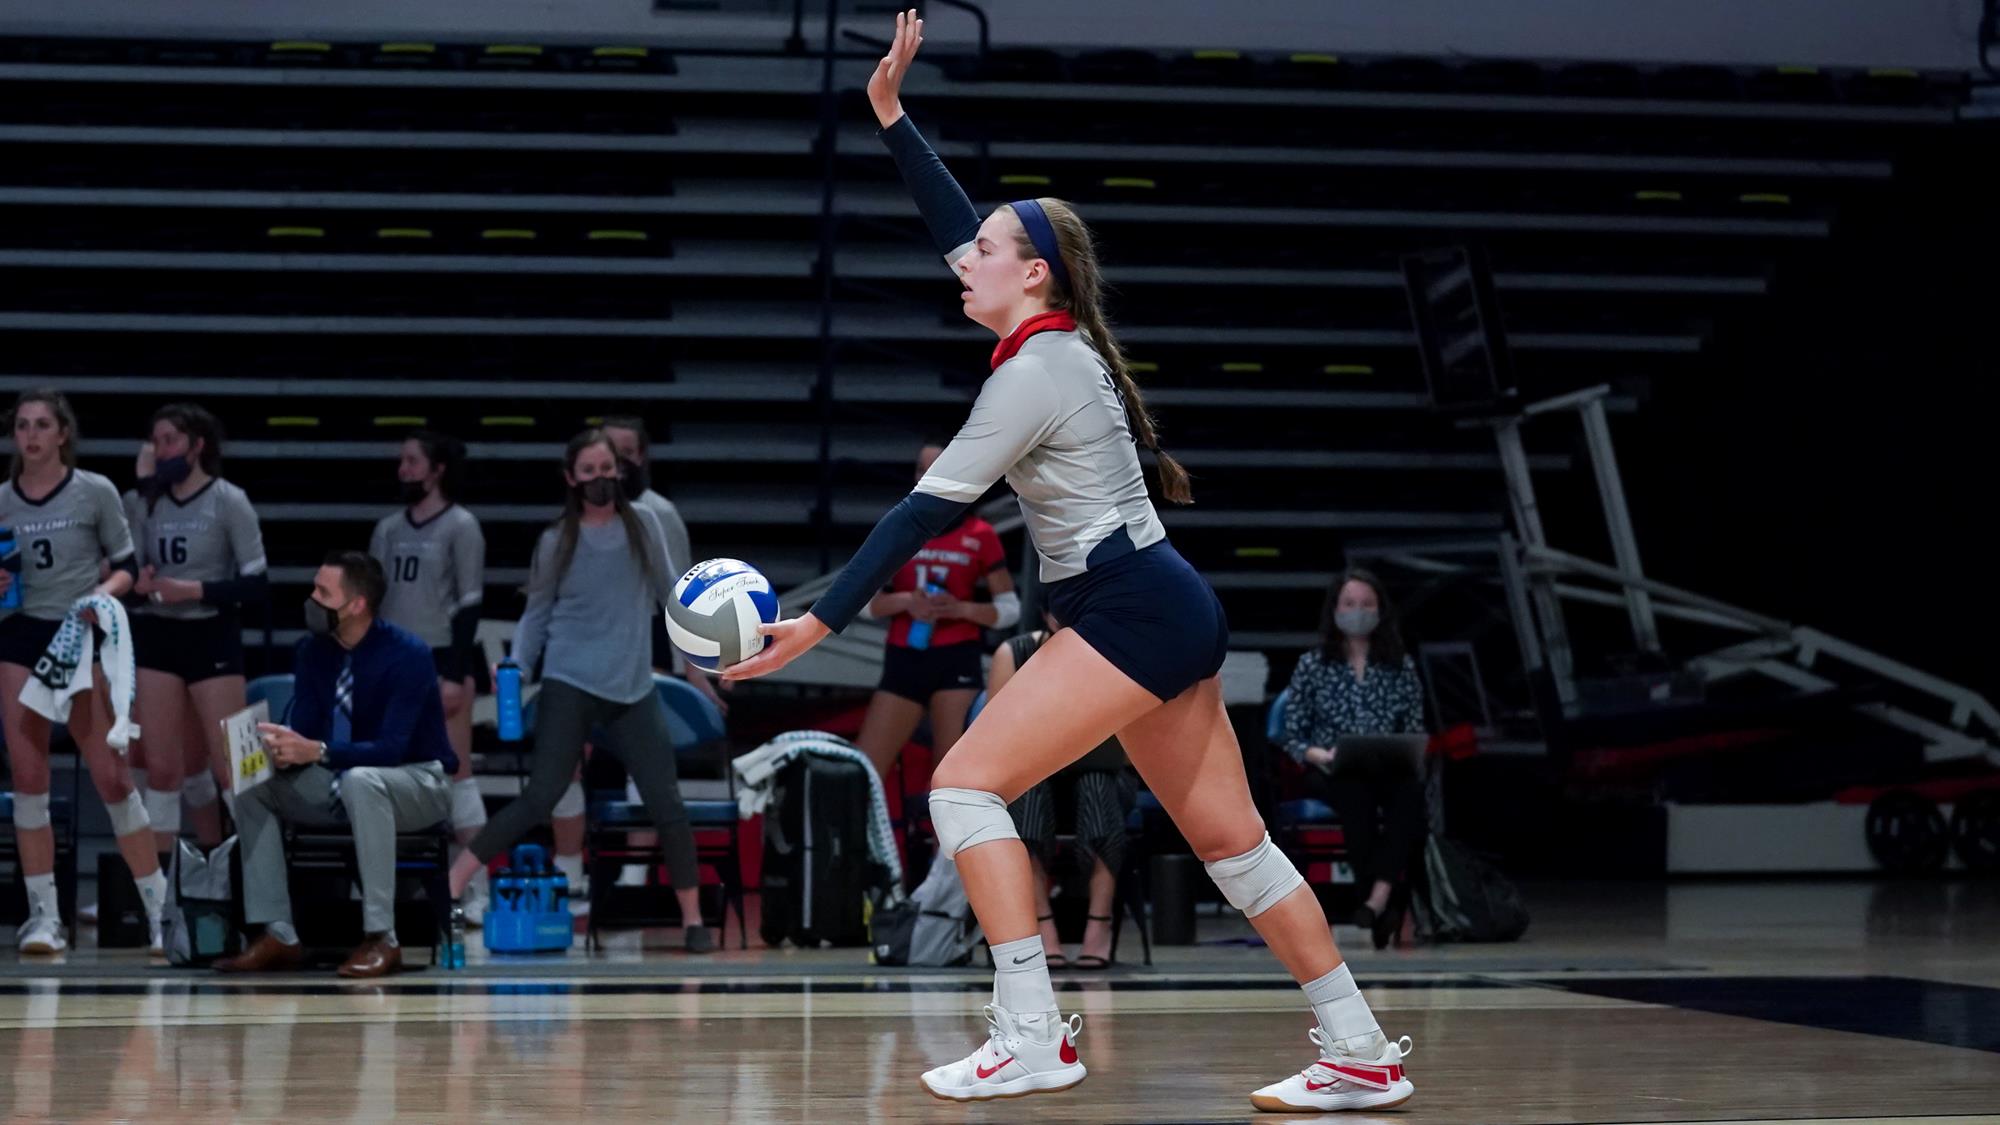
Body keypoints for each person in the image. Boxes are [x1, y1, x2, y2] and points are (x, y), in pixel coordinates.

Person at [724, 14, 1415, 1113]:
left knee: (961, 786)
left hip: (1133, 615)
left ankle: (1030, 1032)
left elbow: (913, 516)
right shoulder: (1046, 339)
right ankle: (1361, 1047)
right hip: (1162, 606)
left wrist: (814, 625)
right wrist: (892, 116)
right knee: (1236, 851)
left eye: (986, 254)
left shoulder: (1031, 379)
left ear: (1031, 274)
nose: (964, 261)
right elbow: (955, 222)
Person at [445, 429, 714, 954]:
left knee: (666, 801)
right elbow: (537, 614)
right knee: (542, 794)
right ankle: (455, 882)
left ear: (621, 470)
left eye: (605, 469)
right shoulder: (556, 539)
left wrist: (698, 668)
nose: (598, 479)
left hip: (633, 686)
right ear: (571, 479)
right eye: (587, 471)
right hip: (570, 681)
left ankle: (693, 919)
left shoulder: (647, 524)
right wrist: (517, 667)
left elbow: (673, 596)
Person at [213, 552, 456, 979]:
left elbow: (392, 749)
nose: (312, 599)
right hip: (341, 778)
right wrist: (272, 749)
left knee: (363, 780)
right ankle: (279, 933)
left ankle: (383, 937)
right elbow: (305, 727)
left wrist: (319, 752)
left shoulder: (409, 656)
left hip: (417, 781)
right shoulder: (313, 651)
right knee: (253, 782)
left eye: (323, 593)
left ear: (357, 605)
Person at [0, 388, 171, 957]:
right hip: (19, 636)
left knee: (114, 780)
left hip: (77, 636)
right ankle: (44, 918)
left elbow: (127, 568)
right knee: (28, 780)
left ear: (62, 433)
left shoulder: (94, 490)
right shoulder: (2, 498)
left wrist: (102, 594)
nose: (31, 435)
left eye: (42, 425)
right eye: (23, 425)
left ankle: (159, 912)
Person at [127, 404, 268, 858]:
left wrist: (194, 589)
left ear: (197, 445)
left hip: (214, 636)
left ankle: (257, 876)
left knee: (237, 770)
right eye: (157, 441)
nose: (162, 449)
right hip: (158, 637)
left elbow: (256, 583)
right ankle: (157, 894)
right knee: (164, 770)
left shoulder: (229, 499)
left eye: (171, 440)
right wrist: (140, 584)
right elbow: (125, 574)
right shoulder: (143, 502)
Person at [369, 431, 491, 919]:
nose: (404, 469)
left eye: (413, 461)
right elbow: (371, 604)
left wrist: (455, 674)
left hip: (442, 658)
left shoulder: (462, 527)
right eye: (401, 461)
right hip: (393, 660)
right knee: (387, 773)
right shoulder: (386, 530)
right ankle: (389, 891)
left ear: (438, 469)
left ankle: (477, 887)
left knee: (456, 774)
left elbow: (469, 606)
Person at [1280, 570, 1428, 950]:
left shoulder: (1400, 666)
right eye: (1350, 604)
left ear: (1381, 611)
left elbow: (1414, 728)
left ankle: (1374, 900)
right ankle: (1388, 902)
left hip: (1388, 767)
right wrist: (1321, 754)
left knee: (1410, 796)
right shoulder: (1312, 665)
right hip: (1332, 767)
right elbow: (1292, 735)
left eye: (1366, 604)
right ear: (1335, 610)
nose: (1357, 611)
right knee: (1354, 796)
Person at [852, 440, 1017, 781]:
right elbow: (863, 604)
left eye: (934, 469)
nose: (924, 477)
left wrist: (960, 609)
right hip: (903, 658)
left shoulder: (980, 534)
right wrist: (906, 601)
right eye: (919, 470)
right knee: (864, 772)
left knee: (950, 777)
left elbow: (1009, 609)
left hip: (956, 659)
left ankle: (944, 837)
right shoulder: (897, 526)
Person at [991, 614, 1133, 970]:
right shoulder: (1014, 653)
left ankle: (1098, 928)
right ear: (1047, 615)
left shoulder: (1115, 649)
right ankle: (1042, 928)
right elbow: (992, 734)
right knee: (1028, 793)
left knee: (1097, 787)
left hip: (1102, 775)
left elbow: (1134, 740)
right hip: (1032, 775)